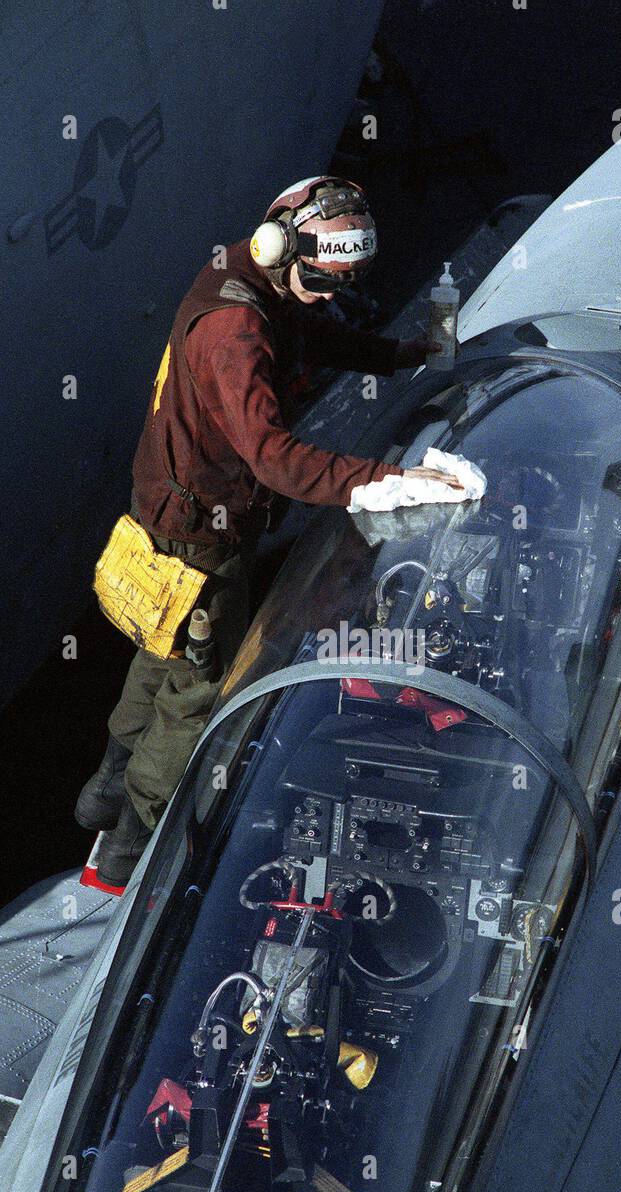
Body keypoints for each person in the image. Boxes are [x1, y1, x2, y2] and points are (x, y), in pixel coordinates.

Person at [75, 175, 462, 886]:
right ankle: (125, 857)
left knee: (156, 660)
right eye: (316, 279)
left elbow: (309, 332)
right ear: (282, 246)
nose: (324, 295)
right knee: (196, 693)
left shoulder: (250, 275)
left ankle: (101, 795)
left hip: (164, 518)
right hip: (203, 539)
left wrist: (401, 354)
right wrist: (387, 480)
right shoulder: (236, 329)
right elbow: (275, 460)